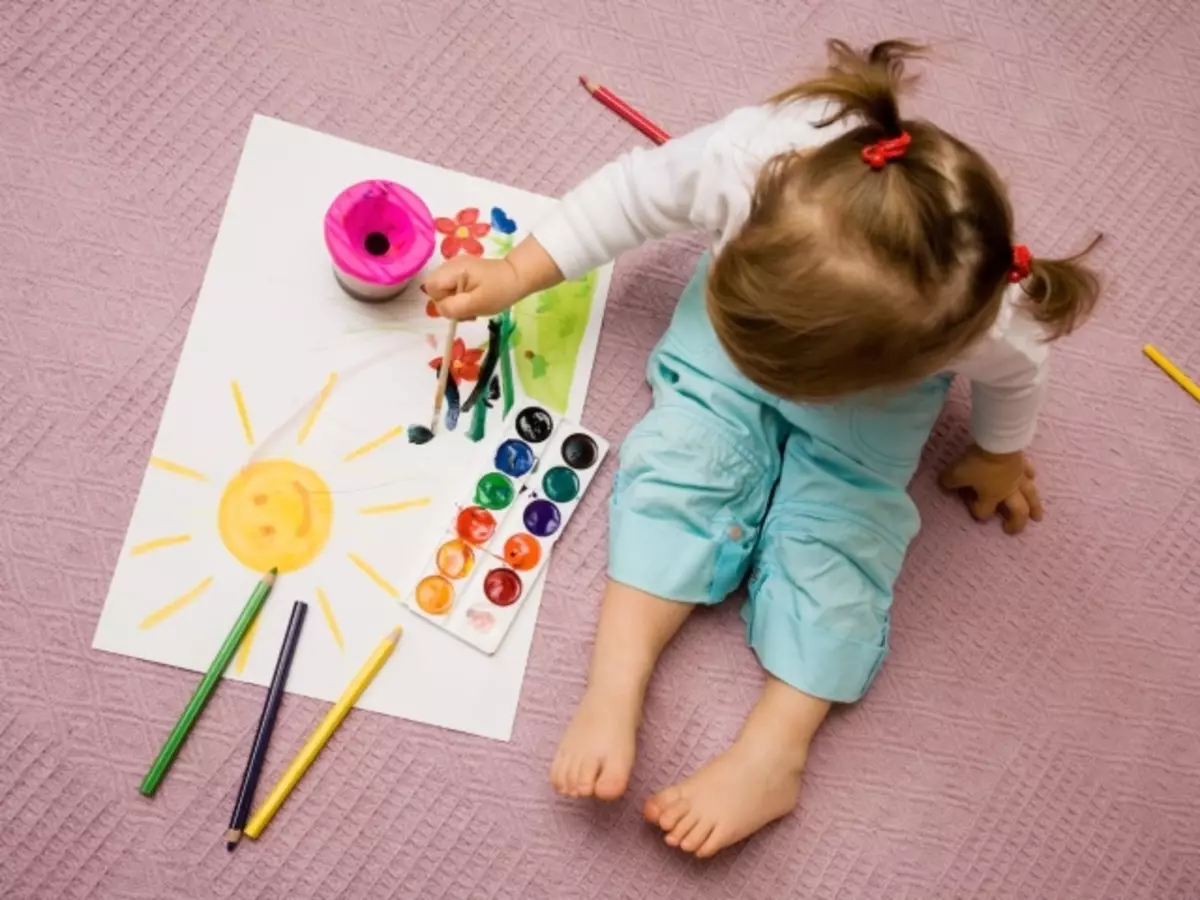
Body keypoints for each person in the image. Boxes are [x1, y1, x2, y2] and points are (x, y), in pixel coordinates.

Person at [425, 39, 1101, 858]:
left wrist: (999, 452)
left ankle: (774, 751)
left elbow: (1020, 375)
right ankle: (615, 681)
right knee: (676, 465)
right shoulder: (753, 158)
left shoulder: (986, 312)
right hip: (729, 330)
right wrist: (520, 272)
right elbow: (630, 197)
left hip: (876, 401)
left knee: (844, 544)